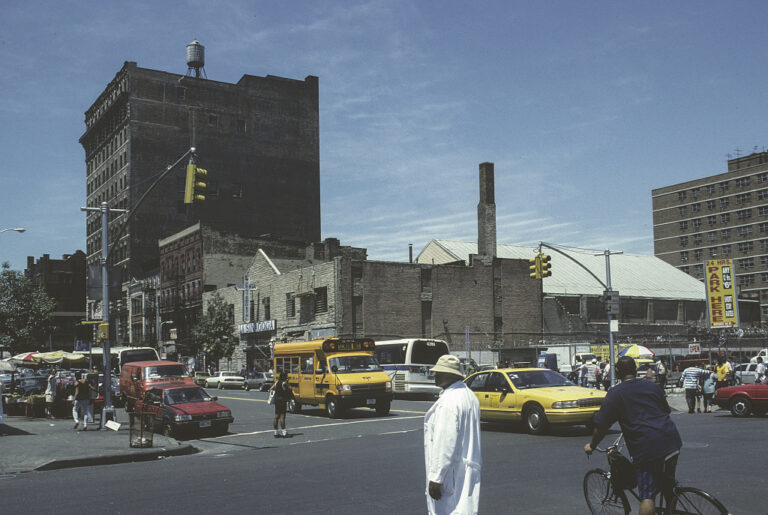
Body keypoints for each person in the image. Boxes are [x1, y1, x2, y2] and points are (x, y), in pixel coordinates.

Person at [584, 356, 682, 515]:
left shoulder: (615, 393)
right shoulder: (652, 386)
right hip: (672, 440)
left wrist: (592, 445)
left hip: (646, 447)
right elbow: (666, 411)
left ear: (617, 371)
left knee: (647, 496)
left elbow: (601, 426)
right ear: (636, 369)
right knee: (667, 484)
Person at [424, 354, 481, 515]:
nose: (435, 375)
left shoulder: (448, 403)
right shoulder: (469, 396)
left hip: (450, 475)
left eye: (439, 372)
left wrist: (436, 477)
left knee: (448, 510)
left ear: (451, 375)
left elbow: (445, 443)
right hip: (467, 468)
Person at [270, 371, 294, 438]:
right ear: (284, 377)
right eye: (286, 376)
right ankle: (284, 433)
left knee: (276, 416)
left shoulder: (277, 382)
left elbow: (271, 389)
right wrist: (287, 383)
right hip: (282, 400)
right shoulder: (284, 383)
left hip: (277, 400)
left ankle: (276, 432)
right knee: (282, 416)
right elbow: (290, 389)